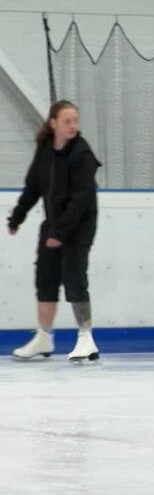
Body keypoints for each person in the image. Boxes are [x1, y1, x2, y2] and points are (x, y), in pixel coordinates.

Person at [6, 100, 102, 363]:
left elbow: (81, 200)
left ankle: (85, 337)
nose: (73, 126)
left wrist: (59, 233)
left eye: (75, 121)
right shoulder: (45, 151)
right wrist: (17, 217)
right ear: (54, 124)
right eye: (67, 121)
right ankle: (43, 337)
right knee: (45, 277)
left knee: (74, 276)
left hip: (79, 224)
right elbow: (33, 187)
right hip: (54, 223)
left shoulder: (82, 155)